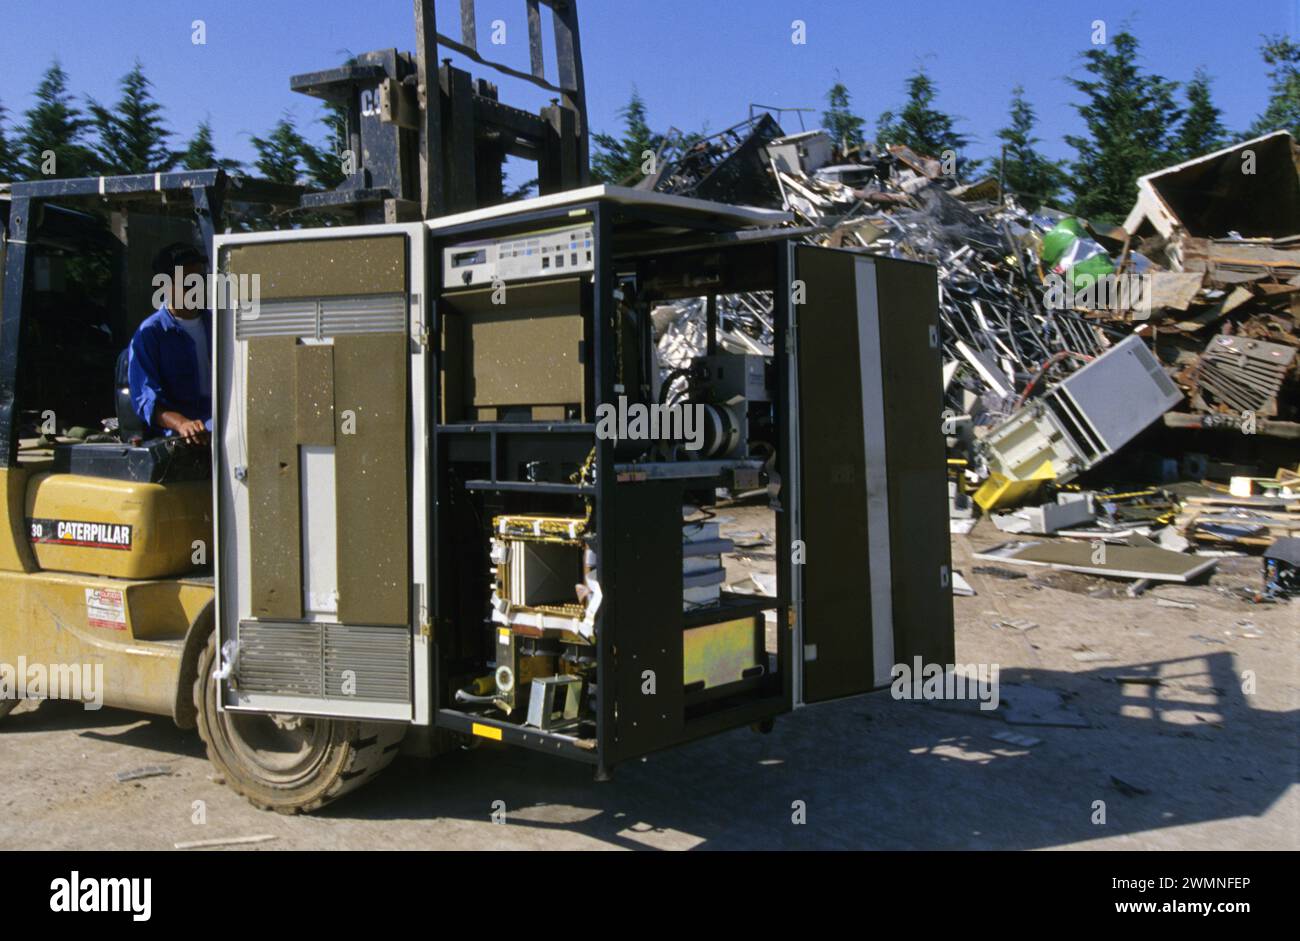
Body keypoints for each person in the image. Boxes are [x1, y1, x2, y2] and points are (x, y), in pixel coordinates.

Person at [127, 243, 212, 441]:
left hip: (224, 426)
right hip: (179, 439)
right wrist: (182, 423)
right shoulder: (150, 334)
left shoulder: (220, 325)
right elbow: (146, 400)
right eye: (188, 282)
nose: (197, 287)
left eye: (201, 279)